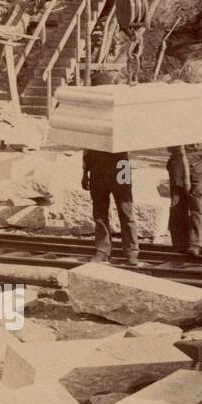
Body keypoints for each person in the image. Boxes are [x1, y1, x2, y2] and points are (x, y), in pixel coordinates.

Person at [81, 72, 138, 266]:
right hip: (97, 165)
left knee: (125, 208)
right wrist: (85, 171)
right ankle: (102, 250)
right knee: (99, 211)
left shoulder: (122, 111)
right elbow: (86, 144)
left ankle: (131, 251)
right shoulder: (90, 115)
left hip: (121, 165)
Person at [167, 143, 202, 256]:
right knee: (178, 204)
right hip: (177, 162)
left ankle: (195, 243)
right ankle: (180, 243)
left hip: (198, 160)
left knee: (197, 202)